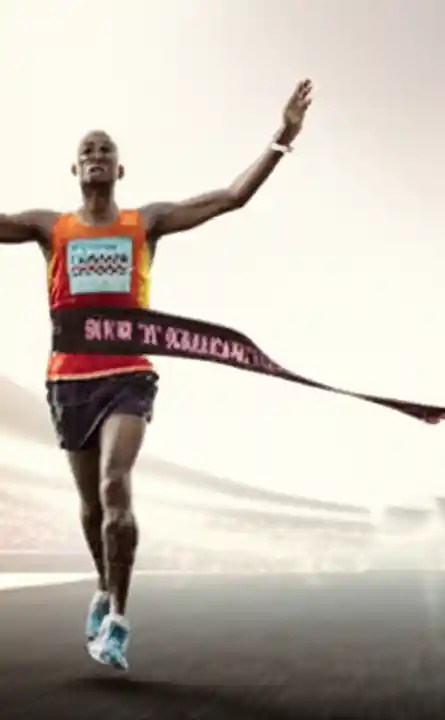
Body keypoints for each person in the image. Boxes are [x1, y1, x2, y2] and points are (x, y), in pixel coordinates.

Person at [0, 79, 314, 671]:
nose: (97, 156)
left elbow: (230, 197)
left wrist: (282, 138)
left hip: (129, 374)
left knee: (117, 488)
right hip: (69, 381)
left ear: (120, 171)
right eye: (88, 150)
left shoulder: (146, 223)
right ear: (75, 168)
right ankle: (102, 583)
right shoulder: (51, 227)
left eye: (107, 151)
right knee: (91, 508)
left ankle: (118, 618)